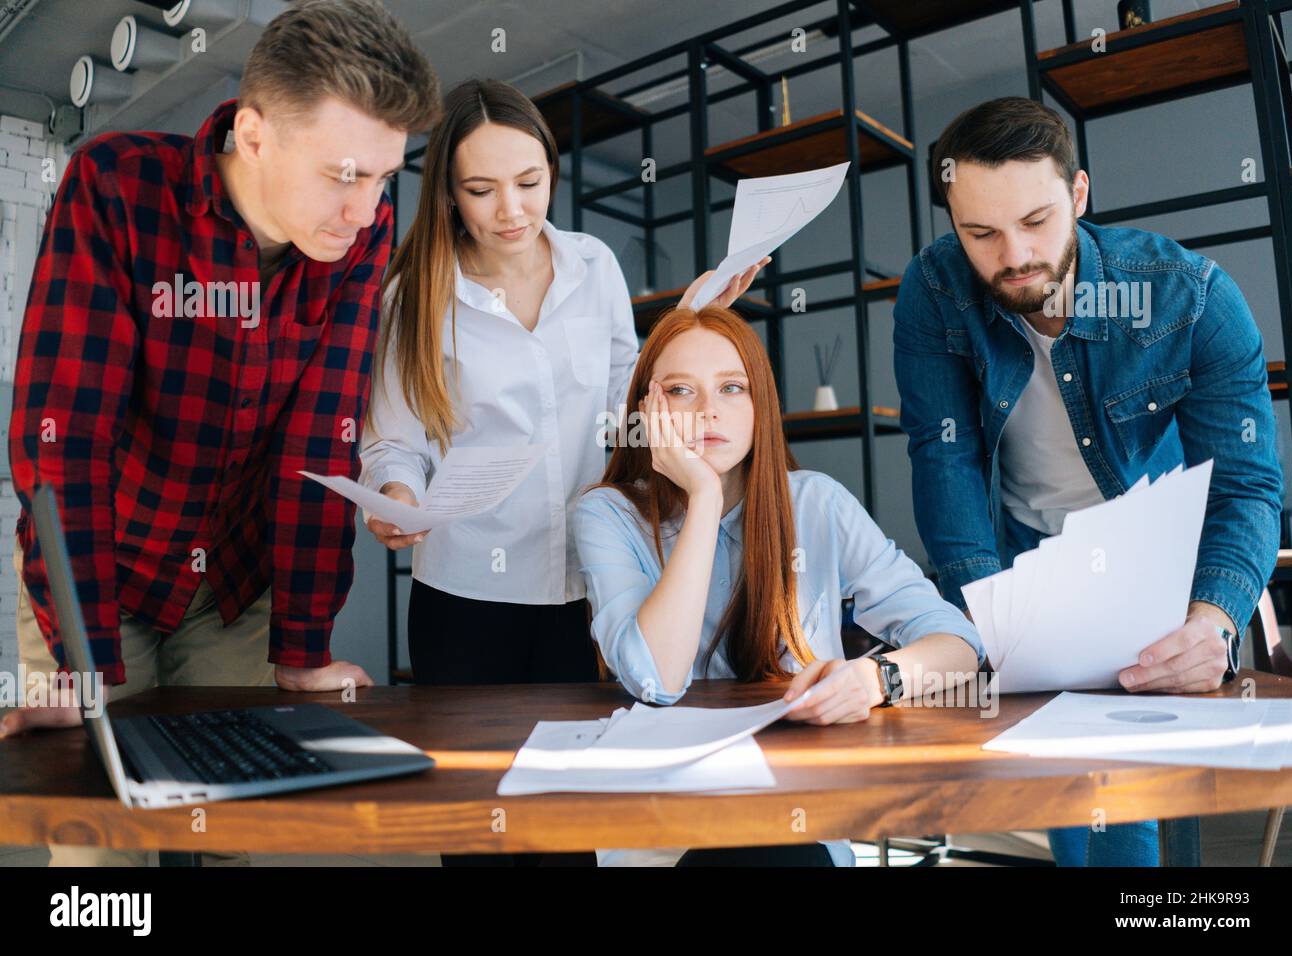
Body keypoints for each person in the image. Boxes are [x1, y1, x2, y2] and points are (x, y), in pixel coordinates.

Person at [0, 0, 439, 867]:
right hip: (103, 568)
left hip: (236, 577)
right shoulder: (116, 188)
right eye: (345, 173)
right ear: (254, 133)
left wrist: (305, 649)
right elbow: (64, 439)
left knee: (239, 827)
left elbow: (321, 440)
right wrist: (77, 655)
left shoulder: (361, 232)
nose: (365, 209)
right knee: (104, 841)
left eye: (385, 177)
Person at [358, 78, 765, 866]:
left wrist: (685, 328)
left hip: (584, 587)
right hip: (465, 597)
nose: (510, 209)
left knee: (569, 825)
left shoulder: (594, 265)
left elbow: (628, 406)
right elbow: (393, 442)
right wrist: (398, 496)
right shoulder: (416, 296)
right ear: (447, 191)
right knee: (479, 827)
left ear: (553, 171)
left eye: (530, 183)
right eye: (480, 190)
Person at [892, 96, 1283, 866]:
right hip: (1025, 552)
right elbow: (944, 456)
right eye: (980, 233)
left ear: (1078, 193)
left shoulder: (1192, 298)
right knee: (1075, 780)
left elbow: (1245, 488)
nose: (1013, 256)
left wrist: (1212, 623)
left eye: (1036, 221)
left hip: (1153, 553)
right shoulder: (935, 291)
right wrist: (988, 616)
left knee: (1132, 780)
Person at [573, 305, 984, 866]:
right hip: (667, 824)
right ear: (647, 409)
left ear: (760, 404)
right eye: (679, 390)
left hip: (797, 814)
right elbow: (656, 679)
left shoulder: (817, 502)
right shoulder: (608, 514)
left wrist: (874, 678)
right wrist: (705, 497)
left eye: (731, 388)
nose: (707, 411)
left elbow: (959, 644)